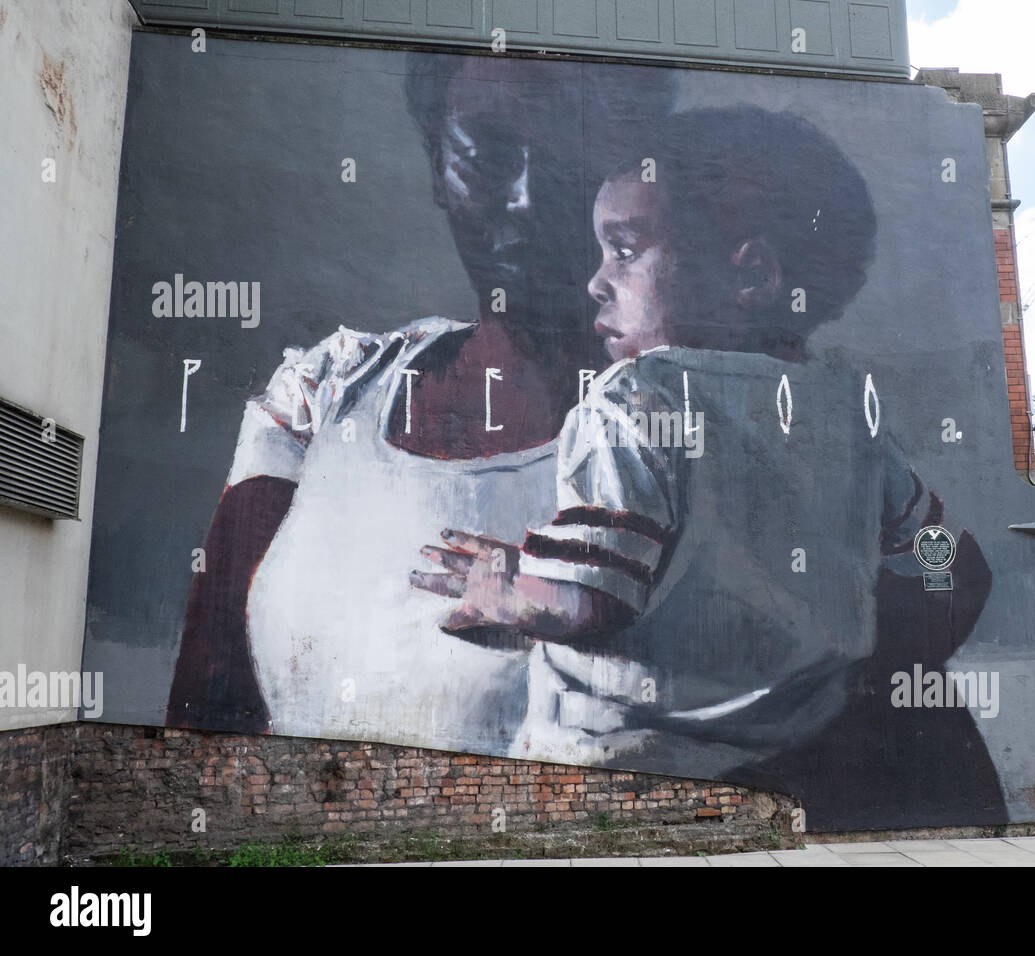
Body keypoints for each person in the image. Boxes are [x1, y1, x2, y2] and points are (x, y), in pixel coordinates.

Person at [414, 108, 1005, 826]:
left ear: (751, 274)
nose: (597, 283)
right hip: (803, 739)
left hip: (636, 769)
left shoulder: (631, 403)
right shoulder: (846, 406)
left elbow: (589, 601)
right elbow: (952, 563)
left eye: (623, 251)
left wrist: (509, 591)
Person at [165, 54, 675, 750]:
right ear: (439, 168)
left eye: (566, 164)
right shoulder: (326, 392)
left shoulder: (668, 439)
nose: (527, 199)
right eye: (489, 156)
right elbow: (205, 706)